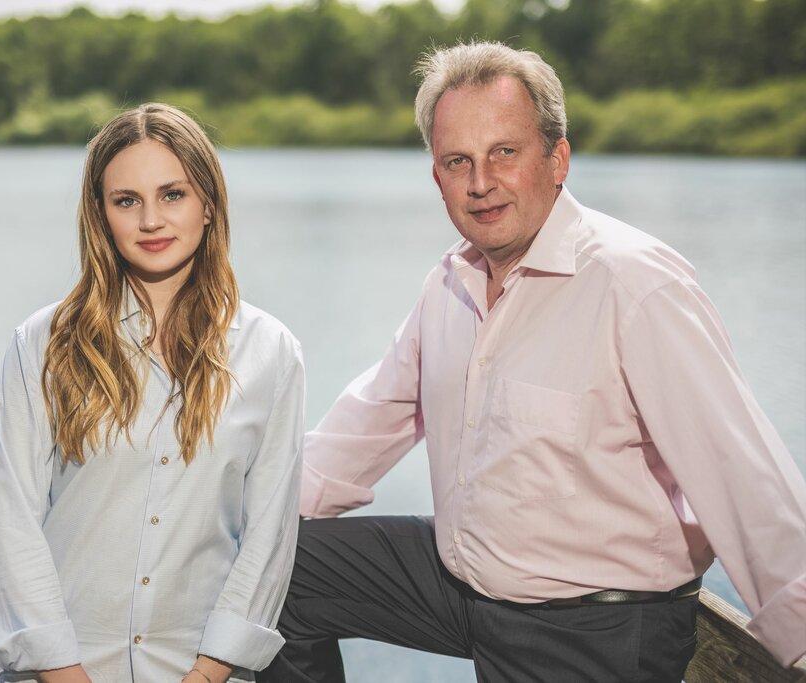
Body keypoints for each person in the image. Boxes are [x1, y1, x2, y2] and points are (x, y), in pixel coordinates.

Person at [259, 41, 806, 683]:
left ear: (557, 159)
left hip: (595, 624)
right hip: (466, 588)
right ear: (436, 177)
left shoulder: (634, 285)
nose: (480, 183)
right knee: (276, 571)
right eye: (458, 161)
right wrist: (239, 524)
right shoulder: (450, 285)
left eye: (504, 153)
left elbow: (739, 472)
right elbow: (365, 425)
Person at [0, 103, 305, 683]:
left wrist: (205, 675)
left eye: (172, 194)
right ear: (100, 215)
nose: (151, 220)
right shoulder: (41, 343)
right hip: (62, 673)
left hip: (202, 673)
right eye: (126, 200)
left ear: (208, 205)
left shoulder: (271, 351)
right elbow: (10, 526)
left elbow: (269, 537)